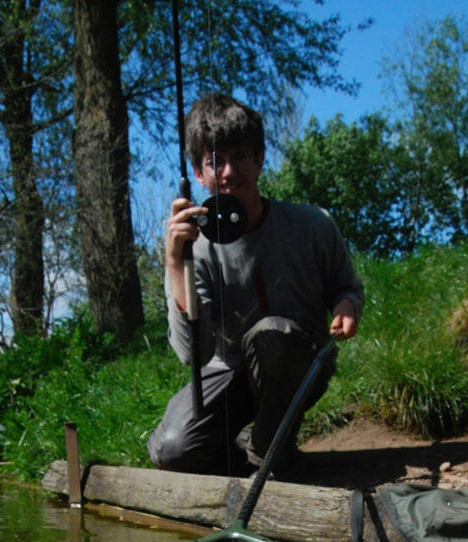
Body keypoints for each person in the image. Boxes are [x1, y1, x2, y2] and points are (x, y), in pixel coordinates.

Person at [148, 93, 364, 477]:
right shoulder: (193, 249)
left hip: (298, 363)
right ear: (199, 174)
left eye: (240, 157)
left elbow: (347, 288)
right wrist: (173, 263)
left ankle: (268, 451)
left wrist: (347, 306)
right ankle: (253, 456)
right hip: (226, 370)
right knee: (172, 450)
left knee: (272, 334)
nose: (229, 172)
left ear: (260, 160)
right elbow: (192, 355)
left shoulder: (313, 225)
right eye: (215, 162)